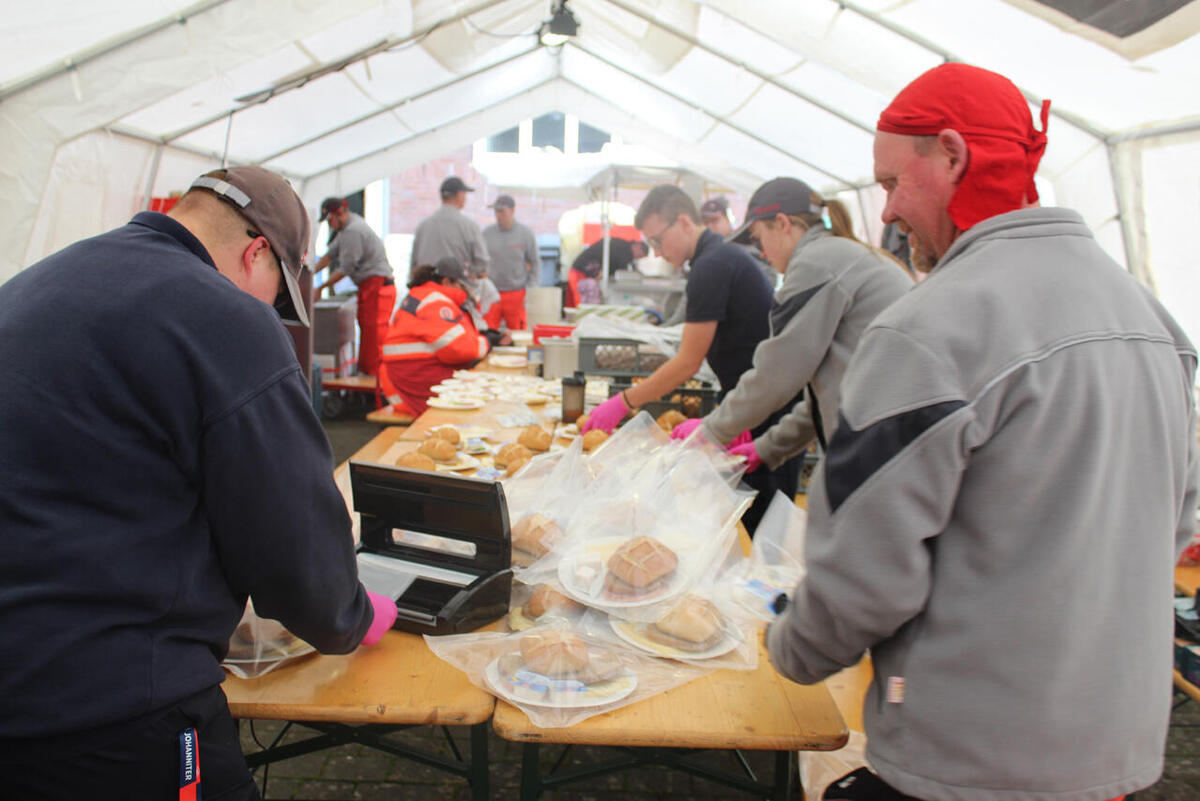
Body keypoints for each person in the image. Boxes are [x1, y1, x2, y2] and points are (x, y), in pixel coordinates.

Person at [767, 62, 1198, 801]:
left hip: (969, 757)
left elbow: (864, 574)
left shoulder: (929, 326)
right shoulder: (1152, 319)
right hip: (1113, 747)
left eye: (892, 183)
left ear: (953, 155)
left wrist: (787, 646)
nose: (889, 214)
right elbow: (1179, 515)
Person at [0, 166, 398, 799]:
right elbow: (290, 538)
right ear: (257, 251)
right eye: (276, 293)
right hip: (115, 711)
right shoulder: (226, 317)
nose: (269, 309)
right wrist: (351, 614)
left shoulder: (33, 284)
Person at [672, 178, 911, 494]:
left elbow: (778, 373)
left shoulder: (816, 262)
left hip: (885, 447)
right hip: (891, 438)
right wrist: (767, 447)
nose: (762, 252)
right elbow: (824, 396)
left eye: (759, 239)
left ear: (782, 224)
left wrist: (710, 431)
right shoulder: (839, 254)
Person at [581, 185, 782, 533]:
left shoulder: (712, 265)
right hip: (751, 401)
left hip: (763, 411)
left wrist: (623, 402)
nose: (657, 252)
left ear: (685, 222)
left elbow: (688, 362)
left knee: (755, 527)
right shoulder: (717, 258)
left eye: (657, 241)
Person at [379, 256, 491, 416]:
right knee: (482, 392)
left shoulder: (422, 295)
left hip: (407, 376)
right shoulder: (436, 301)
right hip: (419, 377)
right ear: (447, 282)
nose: (465, 293)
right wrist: (487, 343)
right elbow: (460, 349)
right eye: (463, 286)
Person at [313, 196, 396, 376]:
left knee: (373, 334)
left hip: (378, 285)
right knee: (367, 330)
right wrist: (307, 272)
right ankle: (368, 372)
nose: (330, 226)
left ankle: (374, 377)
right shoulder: (346, 230)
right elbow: (330, 255)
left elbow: (346, 268)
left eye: (330, 221)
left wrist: (321, 287)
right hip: (370, 285)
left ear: (339, 214)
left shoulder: (353, 231)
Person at [410, 176, 490, 279]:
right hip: (456, 289)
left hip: (427, 290)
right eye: (465, 194)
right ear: (460, 195)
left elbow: (414, 264)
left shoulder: (423, 226)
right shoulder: (469, 226)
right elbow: (482, 265)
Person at [482, 194, 540, 331]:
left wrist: (532, 289)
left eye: (502, 211)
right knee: (488, 331)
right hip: (492, 292)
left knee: (517, 333)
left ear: (512, 211)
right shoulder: (486, 234)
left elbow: (535, 262)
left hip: (516, 293)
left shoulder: (525, 234)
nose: (498, 215)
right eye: (496, 211)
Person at [701, 195, 776, 288]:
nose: (710, 227)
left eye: (714, 221)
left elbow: (769, 280)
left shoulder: (745, 247)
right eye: (705, 223)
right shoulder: (705, 252)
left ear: (728, 219)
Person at [566, 236, 648, 307]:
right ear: (637, 246)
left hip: (579, 273)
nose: (636, 258)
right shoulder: (624, 250)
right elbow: (623, 269)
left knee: (581, 304)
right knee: (580, 304)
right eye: (639, 255)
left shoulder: (620, 247)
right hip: (580, 274)